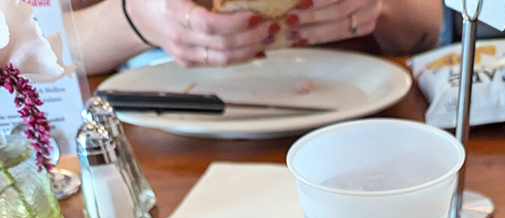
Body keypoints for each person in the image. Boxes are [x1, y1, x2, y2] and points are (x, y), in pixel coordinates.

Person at [70, 0, 444, 75]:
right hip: (158, 146)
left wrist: (381, 8)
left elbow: (429, 27)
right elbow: (26, 48)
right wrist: (133, 18)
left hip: (359, 116)